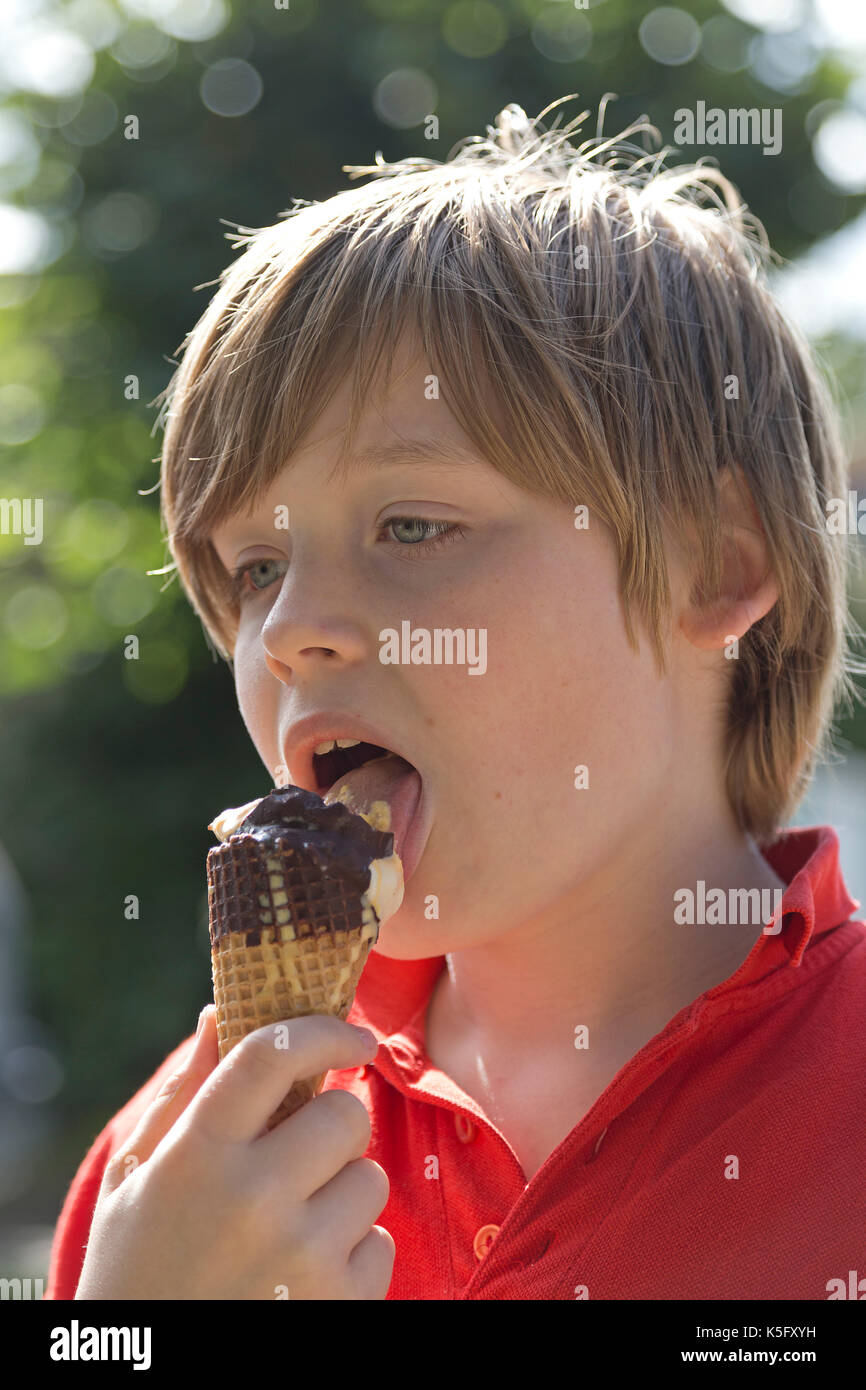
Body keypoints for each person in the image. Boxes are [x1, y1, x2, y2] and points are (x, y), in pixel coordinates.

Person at [46, 99, 866, 1300]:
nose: (288, 631)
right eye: (253, 566)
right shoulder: (174, 1177)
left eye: (412, 525)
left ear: (717, 564)